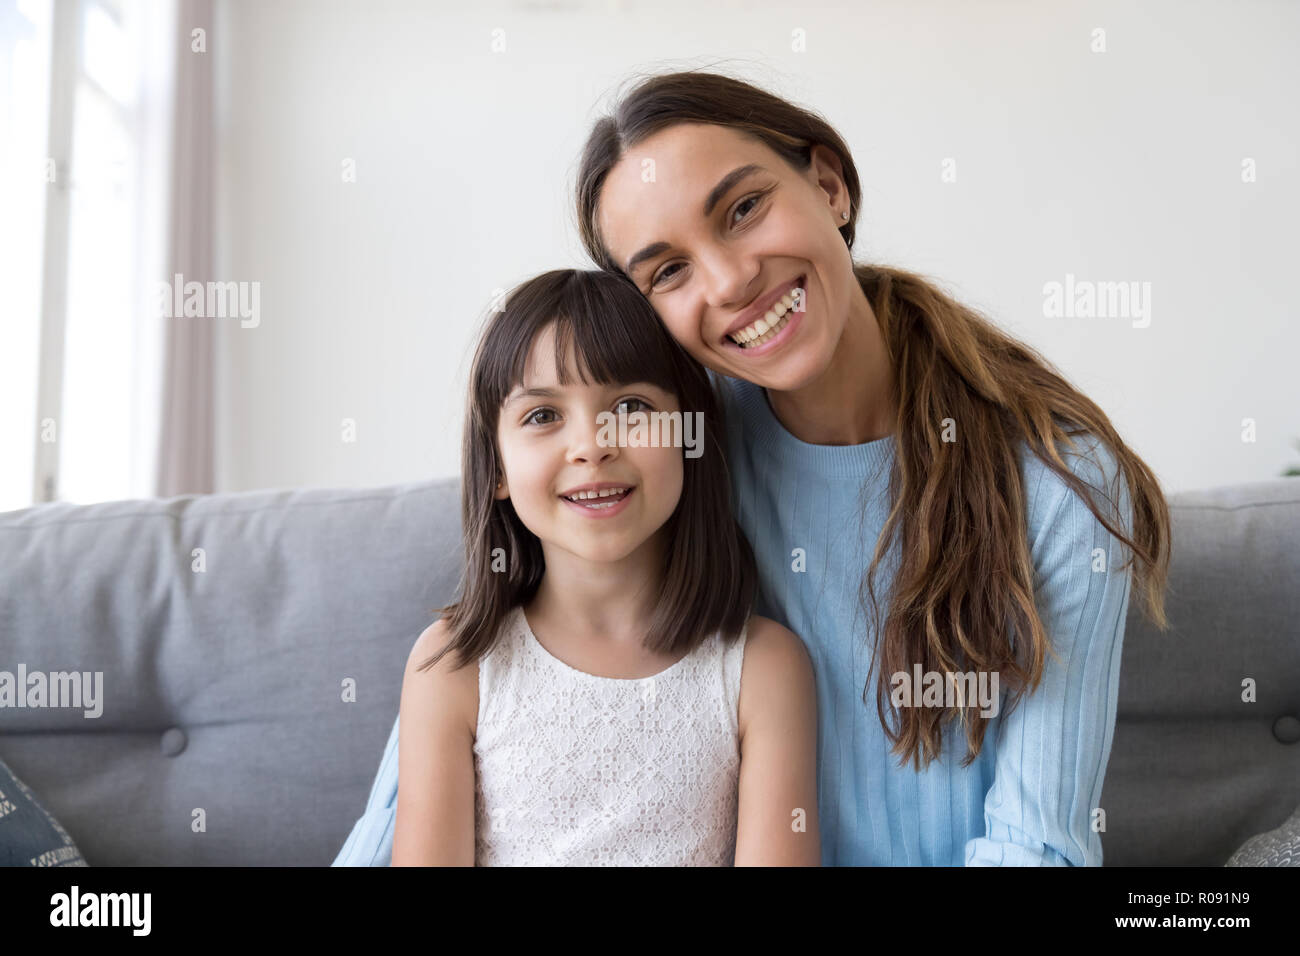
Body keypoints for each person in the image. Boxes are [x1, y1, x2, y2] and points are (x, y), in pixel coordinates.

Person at [572, 69, 1173, 865]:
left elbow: (1039, 850)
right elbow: (502, 670)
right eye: (668, 271)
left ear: (828, 185)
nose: (729, 281)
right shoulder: (676, 460)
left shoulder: (1060, 482)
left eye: (743, 209)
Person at [337, 268, 819, 866]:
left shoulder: (764, 670)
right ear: (497, 471)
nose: (592, 445)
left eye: (632, 406)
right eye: (543, 416)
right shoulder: (454, 666)